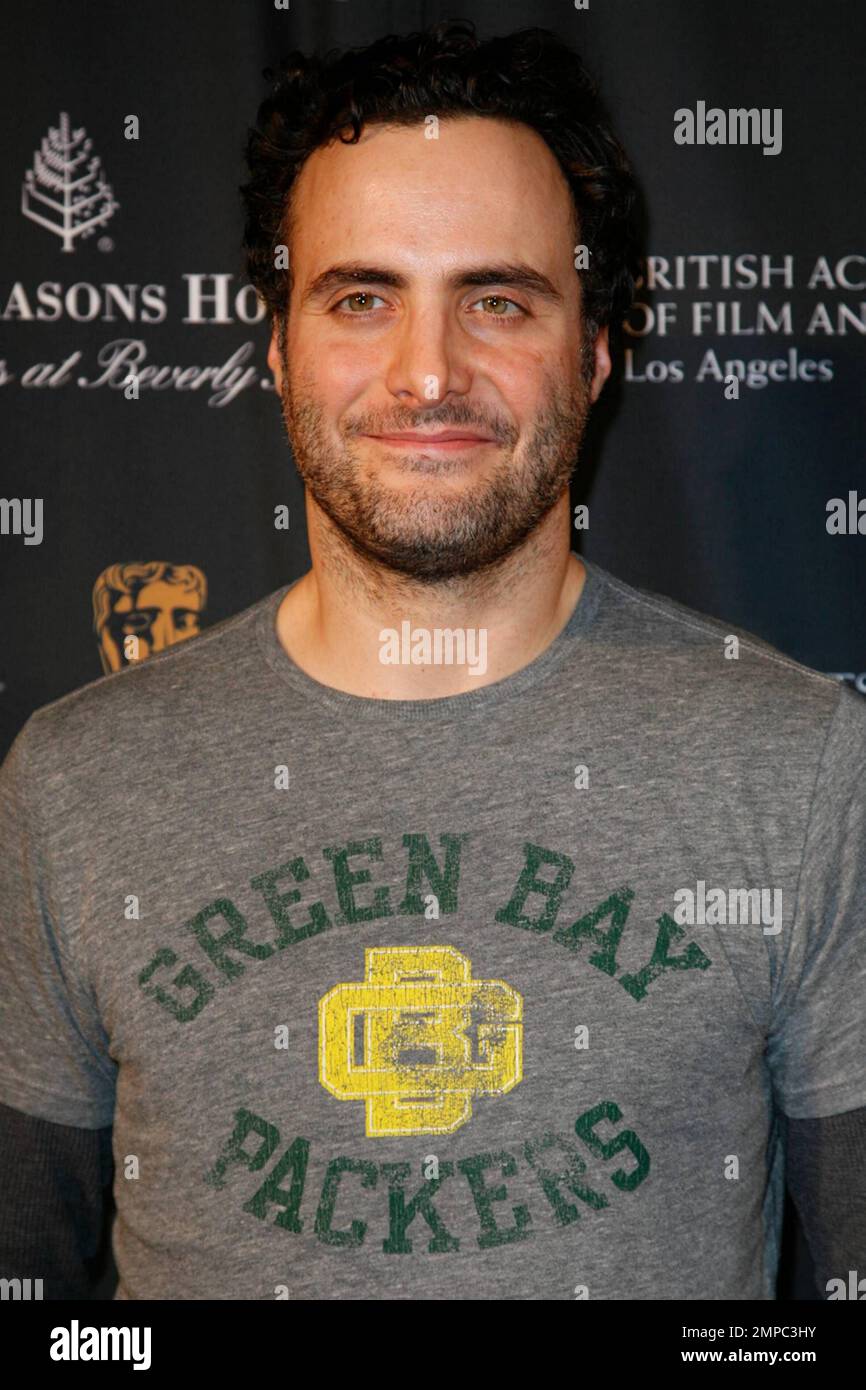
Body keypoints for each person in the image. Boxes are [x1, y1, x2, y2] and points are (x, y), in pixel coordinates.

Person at [1, 19, 863, 1302]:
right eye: (362, 298)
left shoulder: (797, 766)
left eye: (497, 299)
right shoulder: (73, 781)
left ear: (595, 349)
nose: (426, 373)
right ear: (280, 348)